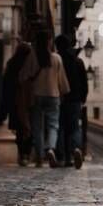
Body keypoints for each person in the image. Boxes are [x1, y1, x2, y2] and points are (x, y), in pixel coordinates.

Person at [20, 33, 70, 168]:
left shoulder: (32, 56)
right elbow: (62, 81)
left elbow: (23, 76)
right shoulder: (57, 58)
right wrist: (63, 92)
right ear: (49, 42)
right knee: (53, 125)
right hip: (53, 95)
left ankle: (40, 158)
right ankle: (50, 149)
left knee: (38, 128)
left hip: (37, 95)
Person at [54, 34, 88, 168]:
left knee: (61, 128)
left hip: (60, 98)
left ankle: (62, 157)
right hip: (75, 100)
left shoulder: (57, 60)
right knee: (74, 128)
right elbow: (84, 83)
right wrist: (82, 98)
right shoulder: (78, 61)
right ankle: (76, 151)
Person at [0, 40, 33, 165]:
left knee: (20, 129)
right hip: (28, 100)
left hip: (15, 101)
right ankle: (27, 154)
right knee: (29, 128)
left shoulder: (11, 64)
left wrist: (5, 106)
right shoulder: (30, 66)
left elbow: (6, 86)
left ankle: (21, 154)